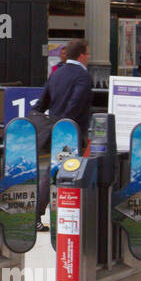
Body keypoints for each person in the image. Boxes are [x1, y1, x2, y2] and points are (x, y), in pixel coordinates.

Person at [29, 38, 93, 228]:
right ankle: (70, 215)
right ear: (81, 55)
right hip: (71, 131)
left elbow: (42, 103)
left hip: (57, 129)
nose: (89, 57)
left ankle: (39, 214)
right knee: (71, 171)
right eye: (88, 54)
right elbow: (76, 103)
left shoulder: (57, 74)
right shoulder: (82, 76)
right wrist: (65, 125)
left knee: (52, 171)